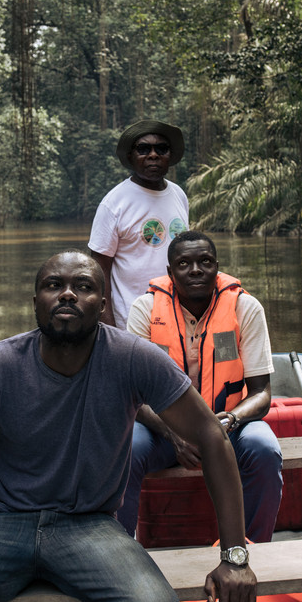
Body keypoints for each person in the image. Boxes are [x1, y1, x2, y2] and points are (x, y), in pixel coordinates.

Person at [0, 250, 258, 602]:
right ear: (36, 303)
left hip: (90, 526)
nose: (68, 295)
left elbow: (213, 437)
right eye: (54, 285)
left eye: (83, 287)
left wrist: (234, 558)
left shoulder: (132, 358)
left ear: (102, 305)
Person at [117, 231, 283, 544]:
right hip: (163, 431)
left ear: (217, 267)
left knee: (265, 449)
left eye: (205, 261)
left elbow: (261, 394)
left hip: (229, 425)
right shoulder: (145, 309)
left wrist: (228, 422)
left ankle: (254, 549)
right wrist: (173, 434)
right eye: (184, 263)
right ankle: (122, 549)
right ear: (170, 272)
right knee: (124, 450)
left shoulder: (245, 307)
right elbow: (133, 397)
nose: (195, 269)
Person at [89, 119, 189, 328]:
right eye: (143, 149)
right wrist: (109, 327)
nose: (153, 155)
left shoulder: (179, 195)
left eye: (161, 149)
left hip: (177, 319)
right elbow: (99, 270)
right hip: (131, 321)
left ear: (170, 156)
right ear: (130, 157)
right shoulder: (114, 203)